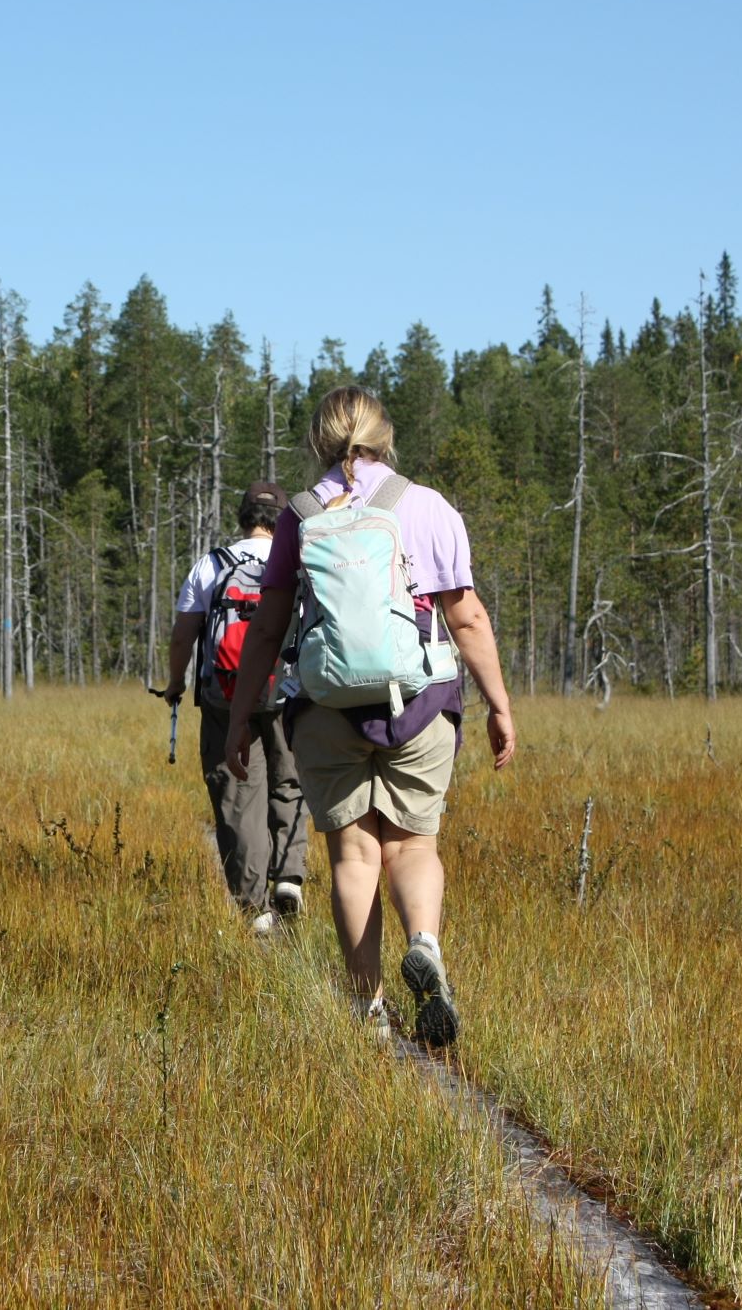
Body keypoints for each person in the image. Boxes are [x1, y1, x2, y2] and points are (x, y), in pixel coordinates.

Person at [221, 386, 516, 1047]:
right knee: (412, 844)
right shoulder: (429, 506)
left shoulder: (300, 513)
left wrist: (241, 719)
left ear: (319, 440)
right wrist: (499, 704)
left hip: (326, 707)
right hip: (421, 703)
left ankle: (371, 1013)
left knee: (354, 856)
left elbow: (268, 628)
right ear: (386, 437)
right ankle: (426, 941)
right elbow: (465, 616)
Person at [157, 480, 308, 933]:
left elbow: (185, 633)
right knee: (290, 782)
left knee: (238, 796)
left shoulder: (212, 564)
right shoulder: (298, 563)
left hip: (223, 696)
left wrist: (175, 682)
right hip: (289, 691)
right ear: (282, 523)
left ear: (243, 517)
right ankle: (290, 876)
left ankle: (253, 905)